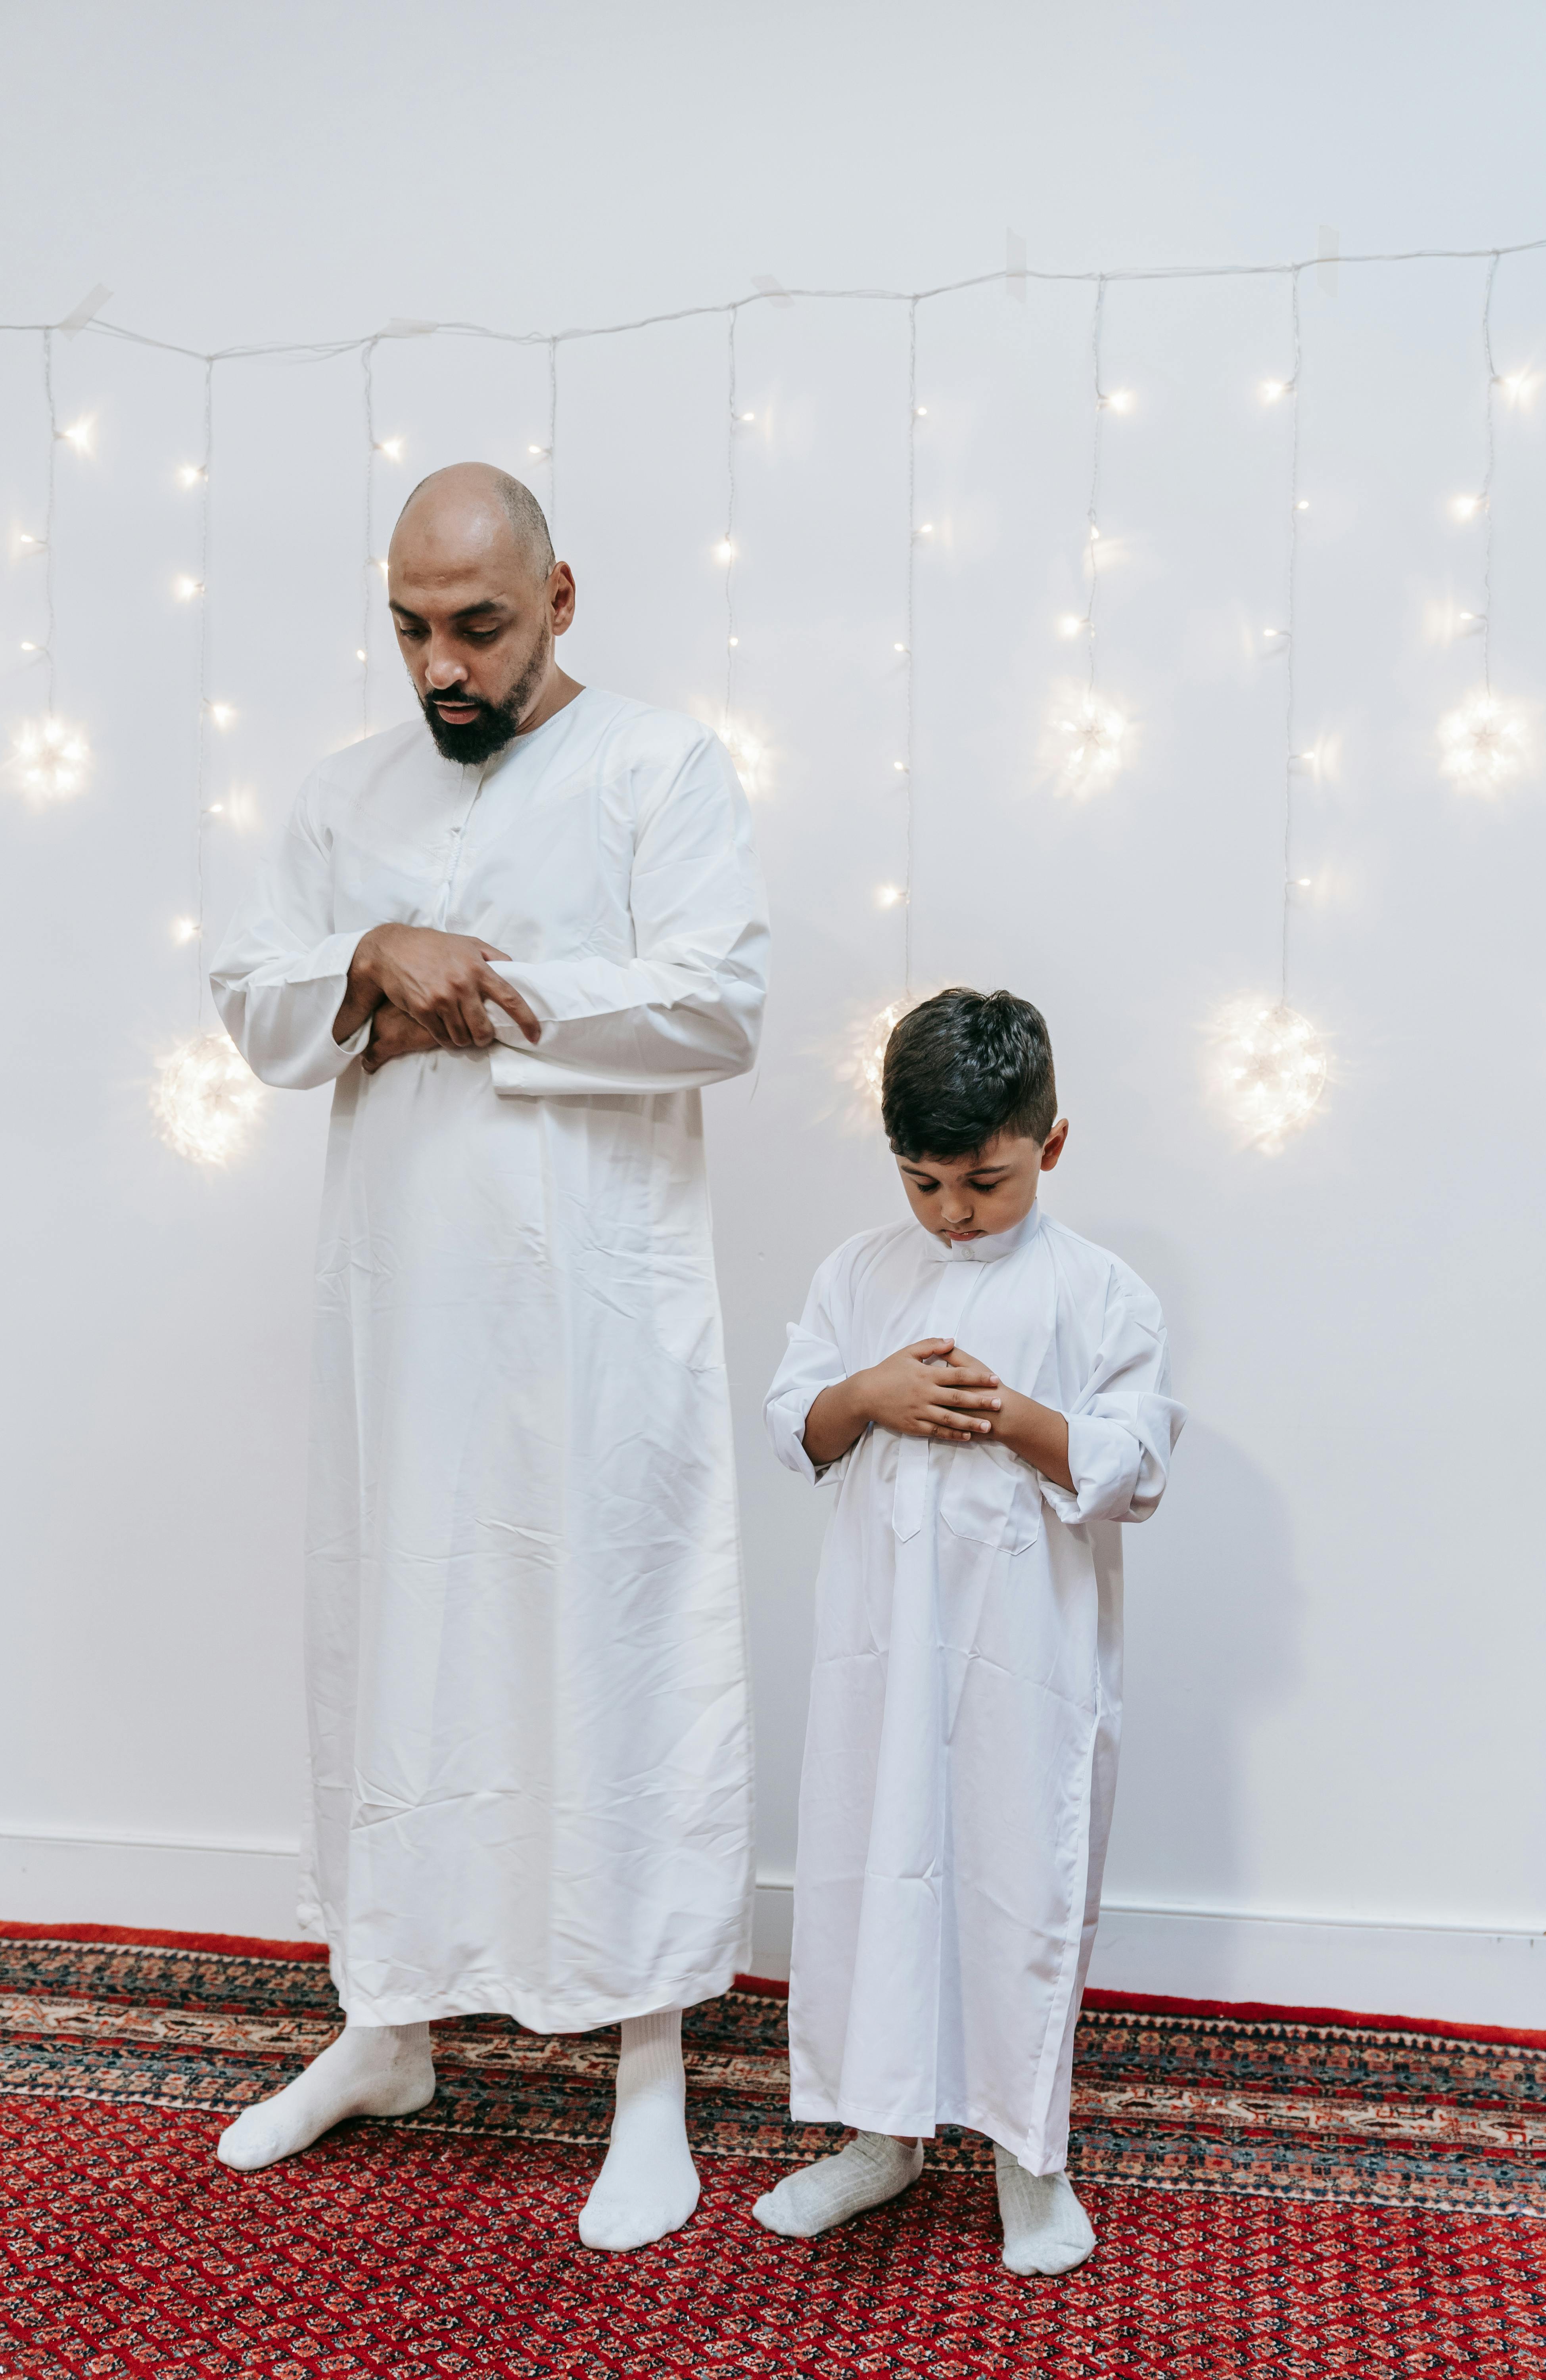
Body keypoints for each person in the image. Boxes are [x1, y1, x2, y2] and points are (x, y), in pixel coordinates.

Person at [208, 462, 768, 2253]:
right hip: (400, 1318)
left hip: (593, 1320)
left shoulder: (661, 768)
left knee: (608, 1647)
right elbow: (255, 994)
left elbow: (718, 1004)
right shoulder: (337, 794)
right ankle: (388, 2028)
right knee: (400, 1640)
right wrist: (371, 953)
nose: (440, 666)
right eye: (410, 628)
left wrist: (479, 980)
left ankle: (650, 2069)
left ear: (563, 600)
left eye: (479, 627)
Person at [756, 989, 1183, 2274]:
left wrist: (1016, 1419)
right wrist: (869, 1392)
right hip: (882, 1655)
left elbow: (1140, 1463)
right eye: (924, 1182)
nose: (951, 1211)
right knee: (869, 1875)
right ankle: (877, 2137)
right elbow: (797, 1424)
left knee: (1018, 1884)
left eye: (983, 1181)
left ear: (1050, 1146)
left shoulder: (1101, 1294)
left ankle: (1027, 2159)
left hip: (1025, 1662)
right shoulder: (860, 1273)